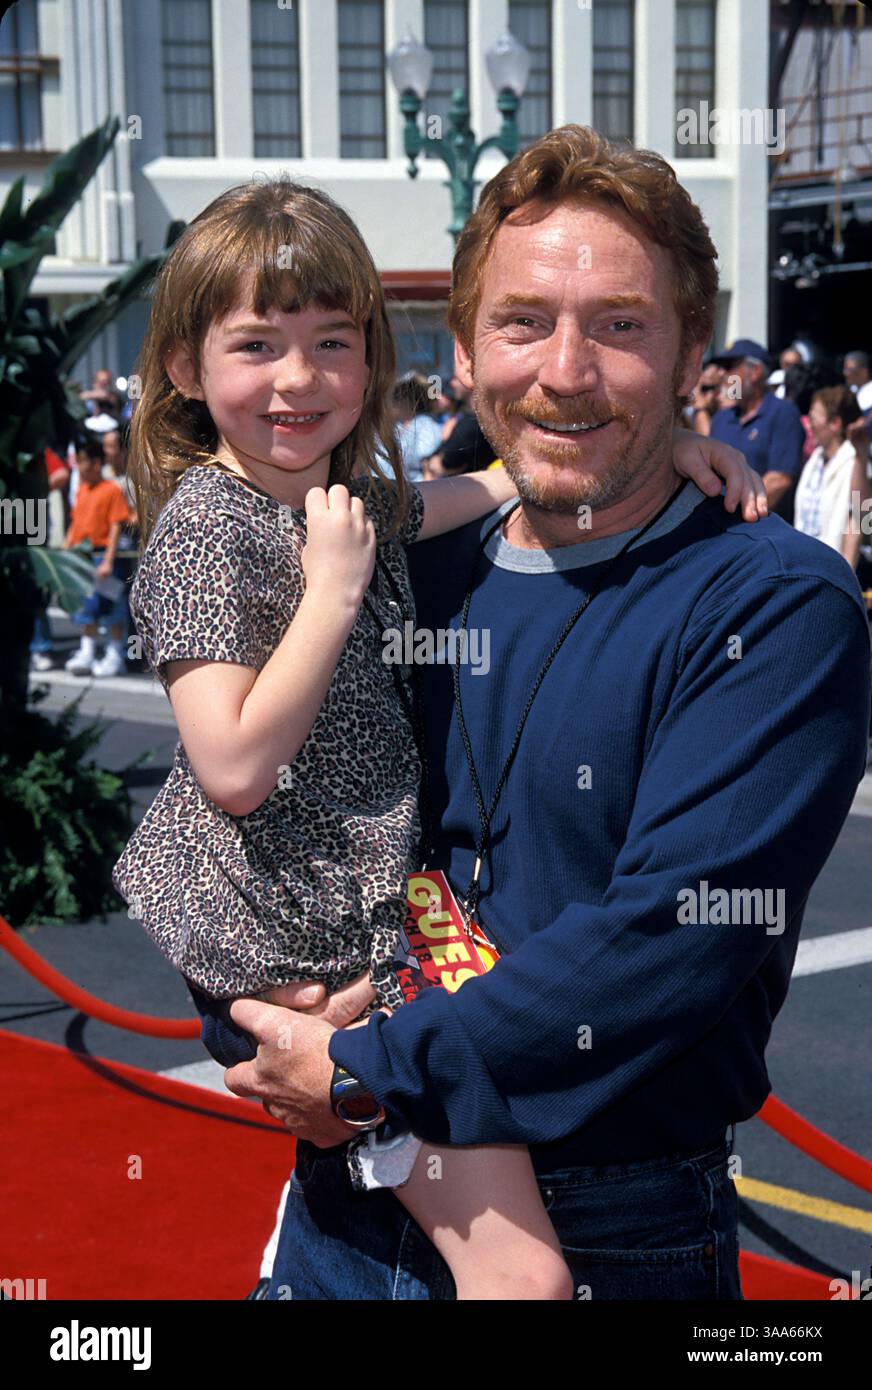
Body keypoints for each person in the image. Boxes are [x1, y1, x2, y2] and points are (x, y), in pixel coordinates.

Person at [223, 126, 870, 1302]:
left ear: (688, 357)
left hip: (608, 1231)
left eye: (619, 326)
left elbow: (667, 941)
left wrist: (368, 1070)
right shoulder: (391, 563)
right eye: (522, 323)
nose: (564, 370)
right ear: (463, 353)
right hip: (341, 1209)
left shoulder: (772, 603)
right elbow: (240, 790)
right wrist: (280, 1023)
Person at [110, 175, 763, 1302]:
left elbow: (464, 490)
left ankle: (388, 1157)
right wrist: (330, 593)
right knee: (518, 1271)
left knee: (504, 1259)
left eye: (332, 342)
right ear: (182, 366)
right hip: (298, 925)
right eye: (257, 345)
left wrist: (661, 453)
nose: (300, 378)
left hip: (357, 931)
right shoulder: (208, 527)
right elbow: (230, 765)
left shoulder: (339, 493)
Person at [709, 339, 806, 516]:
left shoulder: (783, 413)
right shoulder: (721, 418)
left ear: (755, 372)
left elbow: (779, 479)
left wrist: (734, 515)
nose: (722, 374)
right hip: (718, 524)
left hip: (758, 528)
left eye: (730, 366)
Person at [62, 434, 132, 678]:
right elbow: (76, 522)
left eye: (83, 462)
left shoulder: (112, 490)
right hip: (83, 556)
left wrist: (109, 560)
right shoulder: (82, 490)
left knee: (112, 607)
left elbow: (116, 525)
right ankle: (87, 652)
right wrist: (66, 546)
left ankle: (115, 656)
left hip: (105, 557)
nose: (79, 468)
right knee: (87, 606)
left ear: (95, 463)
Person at [794, 385, 869, 570]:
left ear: (835, 423)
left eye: (813, 418)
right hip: (804, 566)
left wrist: (861, 456)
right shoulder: (815, 460)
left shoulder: (856, 461)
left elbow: (864, 515)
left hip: (834, 572)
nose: (809, 425)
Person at [391, 372, 444, 483]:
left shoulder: (426, 425)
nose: (392, 402)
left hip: (415, 492)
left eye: (397, 397)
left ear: (408, 401)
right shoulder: (397, 426)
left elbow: (429, 469)